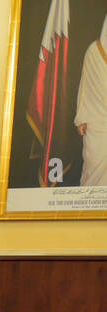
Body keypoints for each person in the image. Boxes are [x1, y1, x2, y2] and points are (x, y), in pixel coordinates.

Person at [74, 13, 107, 187]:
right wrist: (82, 117)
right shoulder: (94, 51)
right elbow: (85, 85)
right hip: (97, 124)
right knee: (94, 171)